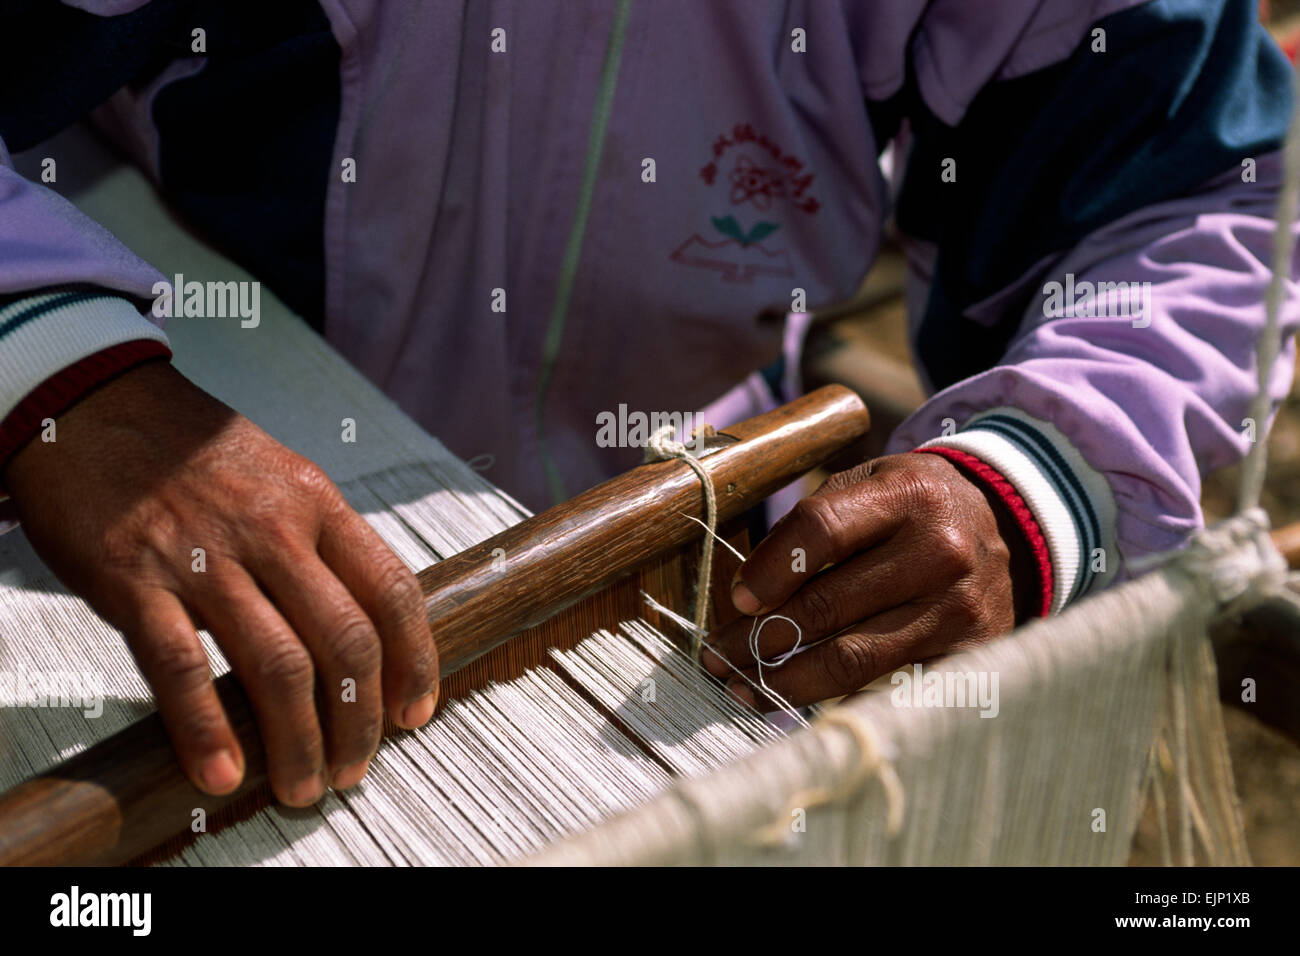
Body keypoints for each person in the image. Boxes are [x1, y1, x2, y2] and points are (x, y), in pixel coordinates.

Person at [0, 0, 1295, 806]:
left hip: (696, 565)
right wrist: (53, 366)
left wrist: (1037, 477)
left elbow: (1193, 197)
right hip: (147, 507)